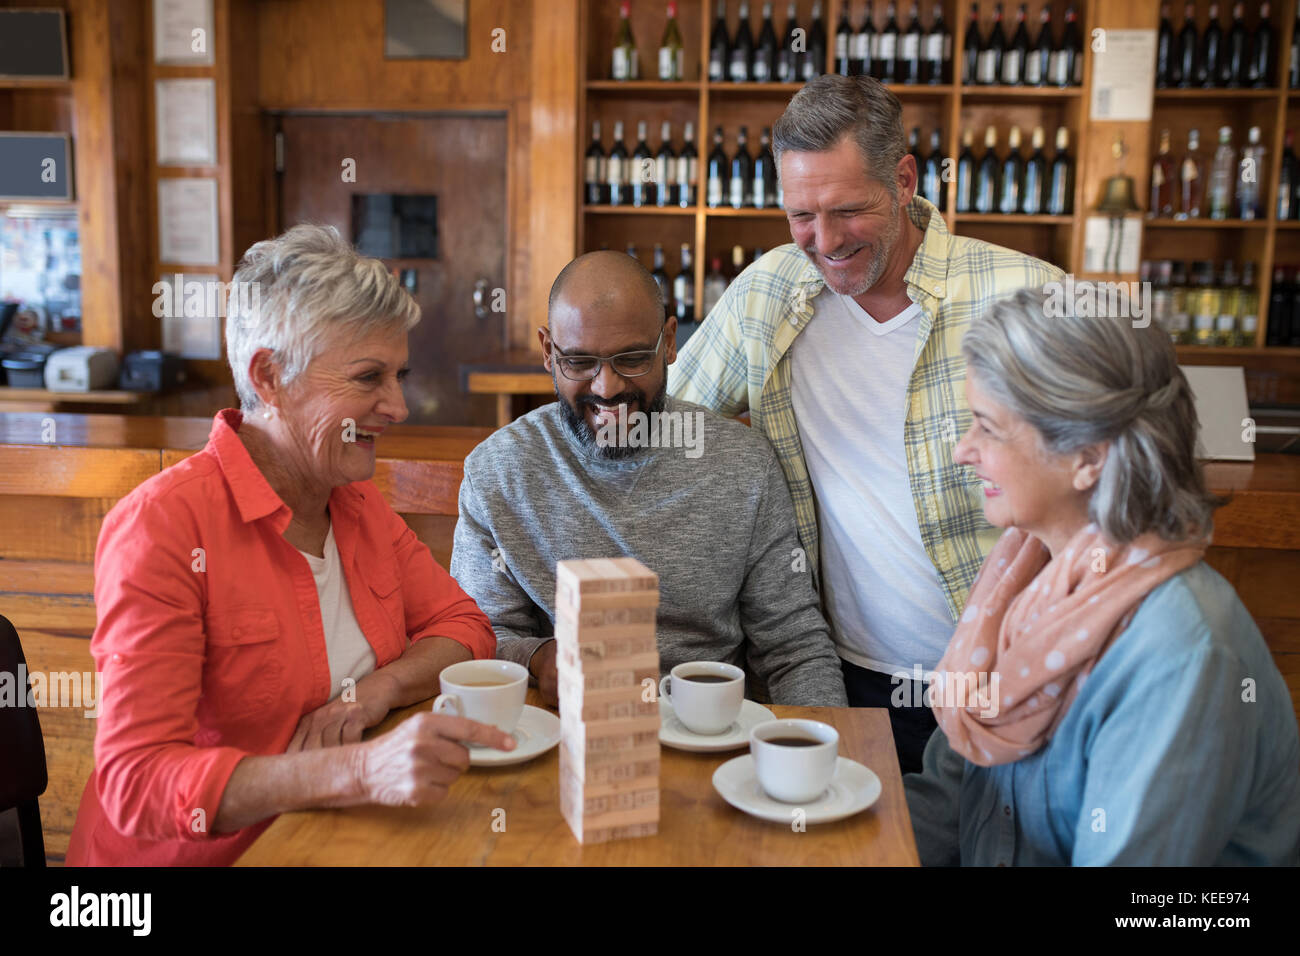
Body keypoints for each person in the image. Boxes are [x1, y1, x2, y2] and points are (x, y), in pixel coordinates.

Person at [67, 225, 514, 866]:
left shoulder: (353, 500)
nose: (398, 405)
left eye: (399, 376)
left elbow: (465, 625)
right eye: (368, 379)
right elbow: (135, 783)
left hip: (332, 841)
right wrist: (356, 771)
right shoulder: (162, 527)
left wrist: (378, 690)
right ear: (270, 376)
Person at [669, 74, 1063, 773]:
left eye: (848, 211)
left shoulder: (1028, 297)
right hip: (839, 679)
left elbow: (1122, 483)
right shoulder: (769, 292)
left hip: (1009, 679)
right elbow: (664, 428)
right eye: (800, 216)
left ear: (904, 178)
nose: (824, 242)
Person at [903, 288, 1300, 865]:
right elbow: (949, 801)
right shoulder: (1021, 574)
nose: (964, 450)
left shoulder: (1182, 653)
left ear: (1089, 457)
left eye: (989, 428)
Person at [450, 251, 847, 708]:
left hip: (705, 730)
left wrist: (821, 756)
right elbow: (478, 634)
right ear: (547, 352)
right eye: (579, 363)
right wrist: (540, 657)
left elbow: (795, 648)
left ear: (670, 343)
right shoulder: (499, 472)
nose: (607, 387)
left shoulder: (743, 467)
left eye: (633, 358)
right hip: (560, 729)